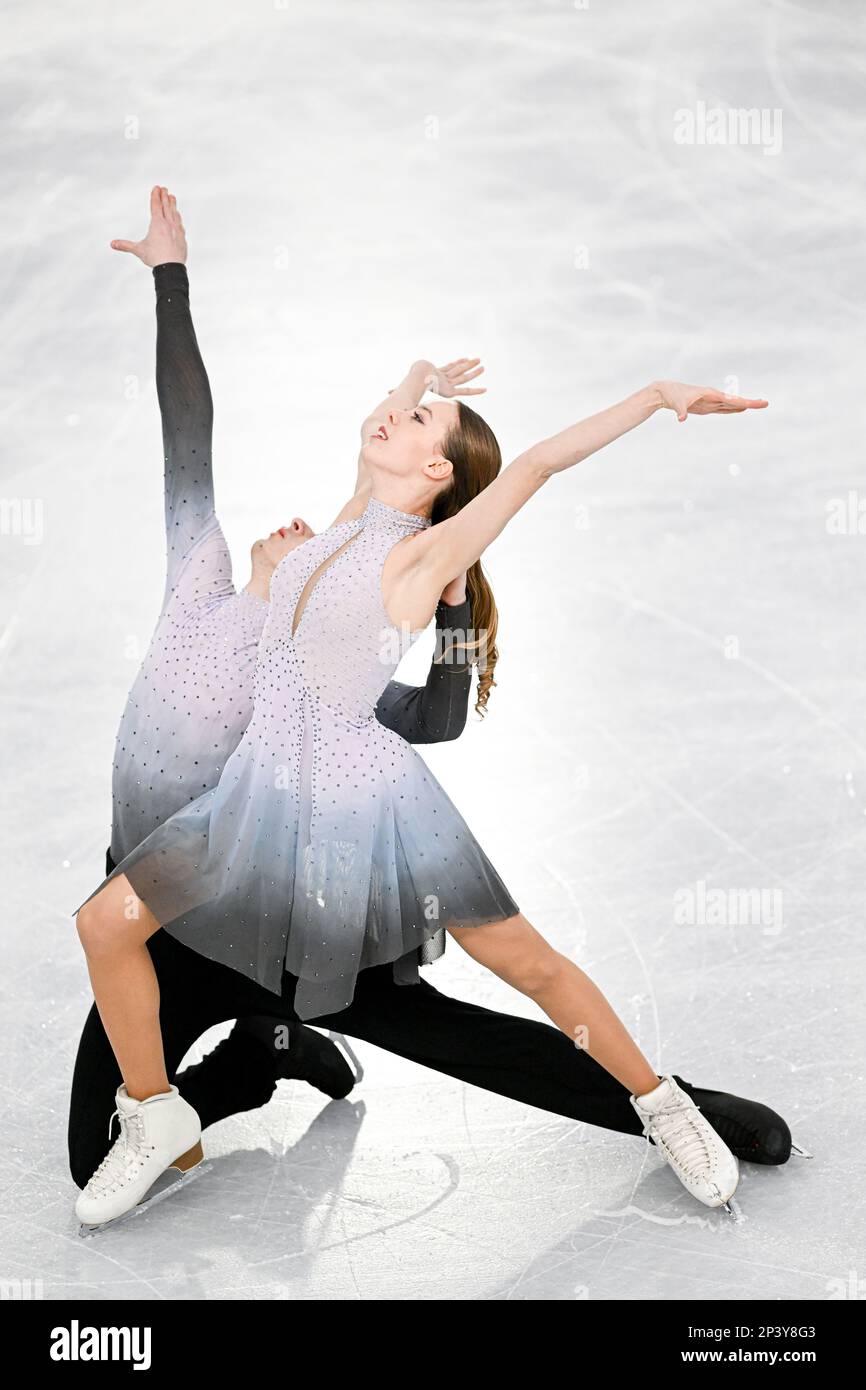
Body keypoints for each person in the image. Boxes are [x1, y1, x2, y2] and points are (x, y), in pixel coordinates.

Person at [73, 186, 774, 1228]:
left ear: (437, 471)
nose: (393, 419)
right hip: (247, 820)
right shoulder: (308, 541)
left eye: (417, 424)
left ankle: (663, 1104)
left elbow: (529, 463)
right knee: (103, 924)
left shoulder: (421, 558)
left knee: (522, 960)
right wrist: (406, 385)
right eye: (396, 415)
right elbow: (290, 446)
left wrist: (651, 395)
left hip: (350, 820)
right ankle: (165, 1109)